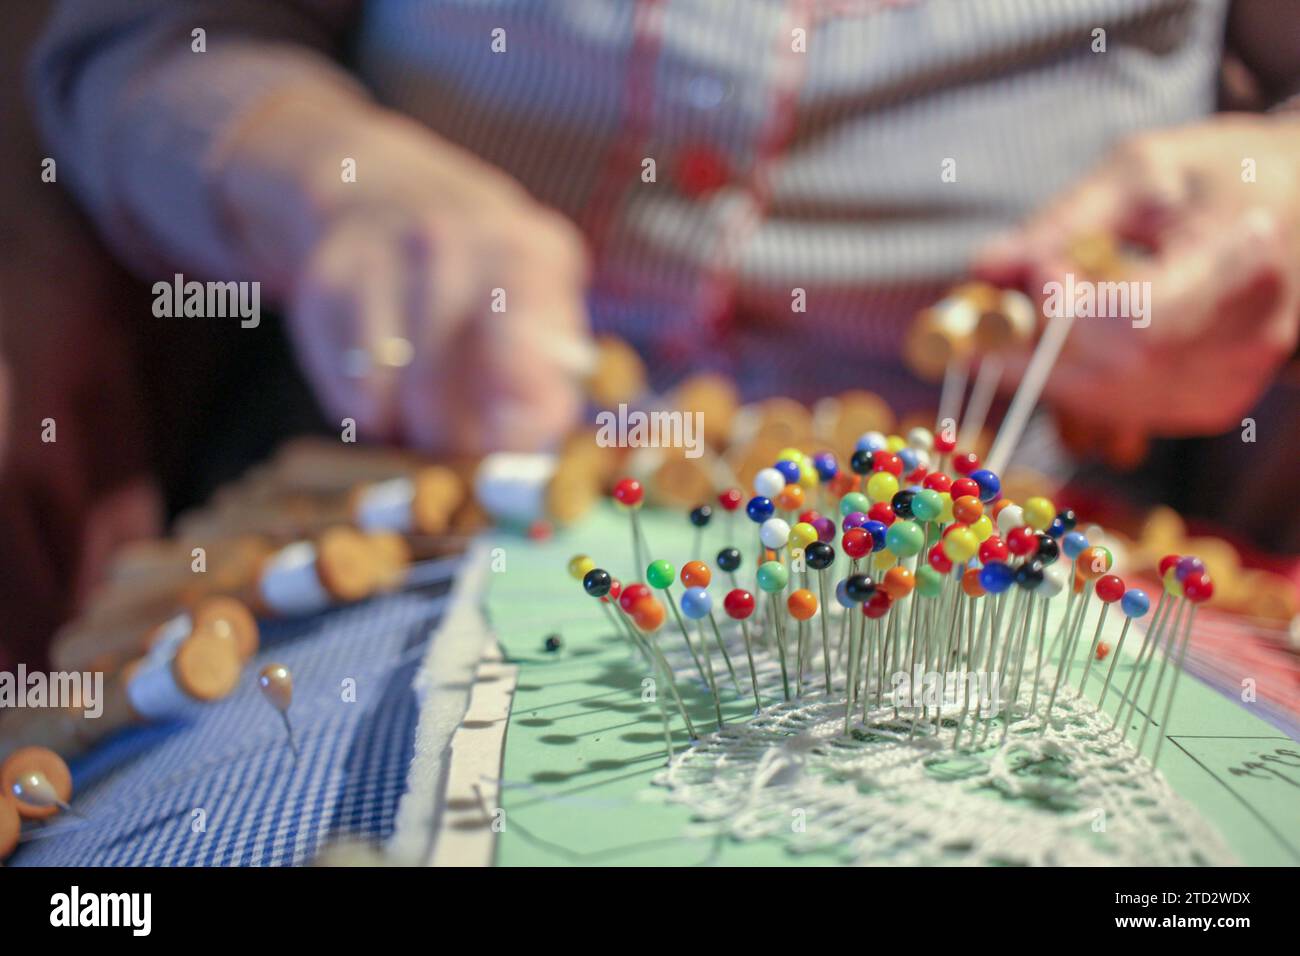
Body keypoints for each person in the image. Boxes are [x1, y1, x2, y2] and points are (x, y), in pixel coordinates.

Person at [7, 0, 1300, 660]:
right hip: (405, 515)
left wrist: (1280, 193)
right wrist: (328, 177)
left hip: (1017, 550)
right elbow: (137, 45)